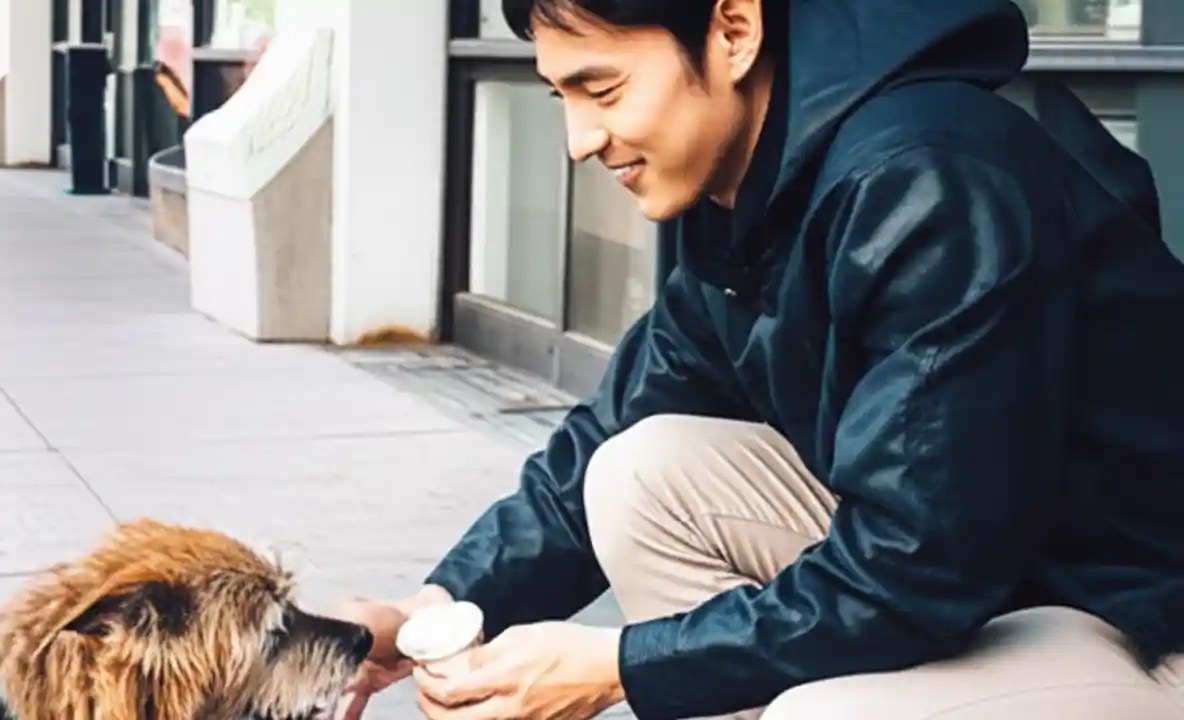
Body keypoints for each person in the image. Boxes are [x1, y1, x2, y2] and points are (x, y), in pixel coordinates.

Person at [332, 0, 1184, 718]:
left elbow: (918, 567)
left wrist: (620, 667)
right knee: (638, 472)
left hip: (1140, 622)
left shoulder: (930, 182)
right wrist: (427, 611)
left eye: (604, 89)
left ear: (733, 29)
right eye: (559, 93)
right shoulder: (748, 193)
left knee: (821, 712)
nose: (579, 139)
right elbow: (606, 431)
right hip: (1006, 578)